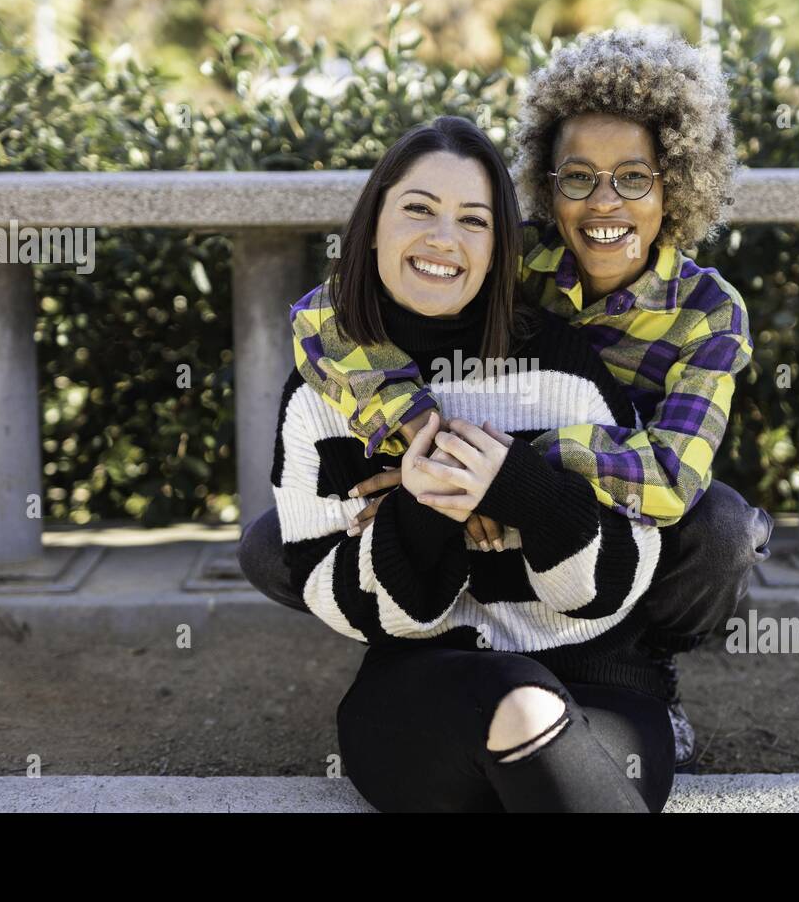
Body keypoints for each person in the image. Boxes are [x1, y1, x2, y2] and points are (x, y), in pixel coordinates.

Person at [279, 28, 774, 770]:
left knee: (728, 531)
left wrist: (513, 470)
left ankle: (641, 666)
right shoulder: (524, 260)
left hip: (626, 516)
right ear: (549, 182)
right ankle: (441, 646)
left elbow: (671, 478)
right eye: (578, 177)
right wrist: (426, 436)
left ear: (676, 182)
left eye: (633, 178)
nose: (603, 202)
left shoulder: (709, 309)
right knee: (269, 543)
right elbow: (323, 317)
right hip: (482, 524)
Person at [241, 115, 684, 811]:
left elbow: (622, 573)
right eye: (418, 209)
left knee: (550, 736)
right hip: (427, 681)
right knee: (518, 707)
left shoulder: (564, 363)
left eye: (473, 220)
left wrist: (523, 488)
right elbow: (333, 593)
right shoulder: (324, 391)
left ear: (497, 245)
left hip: (598, 679)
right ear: (375, 223)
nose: (444, 239)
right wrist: (425, 507)